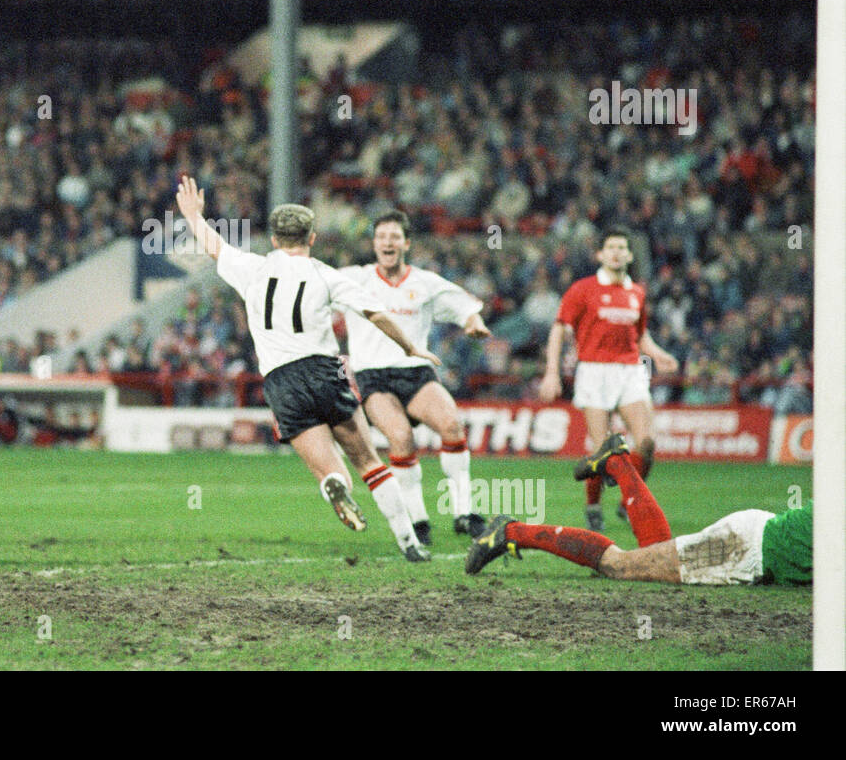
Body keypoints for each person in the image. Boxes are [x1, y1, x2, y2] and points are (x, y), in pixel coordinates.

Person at [174, 175, 439, 562]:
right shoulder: (325, 274)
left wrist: (194, 217)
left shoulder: (252, 268)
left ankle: (332, 483)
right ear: (312, 238)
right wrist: (410, 345)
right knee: (368, 460)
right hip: (322, 370)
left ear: (274, 239)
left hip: (280, 382)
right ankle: (410, 544)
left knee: (329, 470)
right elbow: (375, 313)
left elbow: (215, 247)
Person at [466, 433, 812, 586]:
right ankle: (508, 532)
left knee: (651, 554)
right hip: (743, 550)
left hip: (756, 539)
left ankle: (617, 462)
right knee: (622, 566)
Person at [339, 210, 492, 543]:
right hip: (373, 377)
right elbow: (314, 286)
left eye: (394, 236)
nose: (387, 242)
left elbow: (465, 305)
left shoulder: (425, 282)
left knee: (451, 425)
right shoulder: (354, 278)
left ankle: (464, 514)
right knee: (401, 438)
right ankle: (419, 521)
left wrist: (473, 323)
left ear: (406, 243)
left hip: (416, 373)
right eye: (381, 237)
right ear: (374, 244)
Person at [539, 228, 679, 531]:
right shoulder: (582, 289)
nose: (616, 252)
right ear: (600, 254)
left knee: (647, 442)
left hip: (629, 372)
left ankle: (628, 501)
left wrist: (658, 354)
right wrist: (551, 372)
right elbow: (558, 328)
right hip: (593, 371)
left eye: (621, 247)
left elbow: (640, 335)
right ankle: (592, 504)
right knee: (602, 451)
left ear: (629, 255)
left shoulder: (636, 293)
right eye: (610, 247)